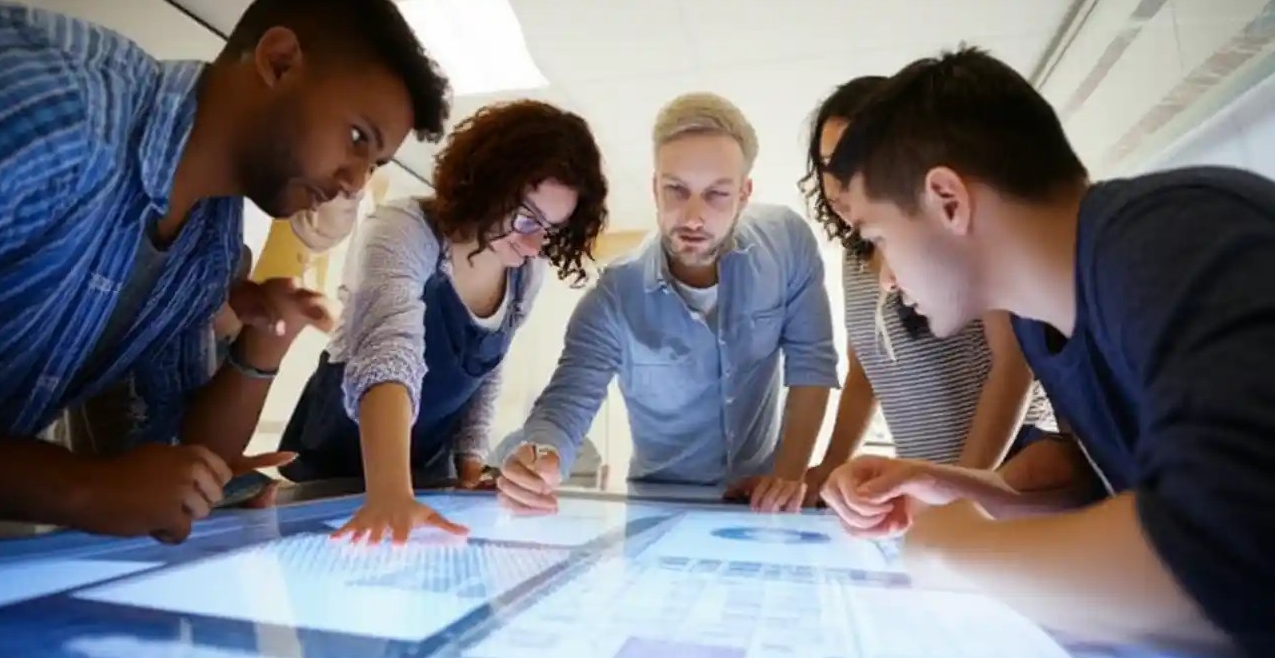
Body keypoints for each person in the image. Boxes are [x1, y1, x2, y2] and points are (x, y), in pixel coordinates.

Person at [820, 47, 1275, 658]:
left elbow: (1222, 552)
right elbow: (1101, 487)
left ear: (948, 200)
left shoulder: (1172, 233)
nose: (890, 280)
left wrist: (960, 551)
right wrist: (950, 486)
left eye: (879, 237)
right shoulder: (1043, 324)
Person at [0, 0, 450, 543]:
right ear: (278, 60)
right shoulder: (64, 107)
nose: (354, 183)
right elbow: (104, 484)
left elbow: (180, 455)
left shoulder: (209, 252)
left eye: (373, 163)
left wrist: (262, 347)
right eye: (357, 138)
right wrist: (82, 489)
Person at [281, 100, 609, 543]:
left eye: (550, 230)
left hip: (426, 474)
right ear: (490, 183)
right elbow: (389, 356)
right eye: (526, 217)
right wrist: (390, 492)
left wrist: (471, 465)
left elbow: (486, 372)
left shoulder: (525, 273)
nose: (534, 244)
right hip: (330, 465)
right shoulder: (404, 228)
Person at [498, 92, 839, 515]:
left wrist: (787, 476)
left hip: (762, 498)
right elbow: (568, 401)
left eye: (716, 194)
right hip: (659, 503)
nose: (693, 217)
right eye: (677, 190)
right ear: (655, 188)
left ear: (744, 194)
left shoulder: (787, 243)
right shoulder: (614, 297)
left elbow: (813, 363)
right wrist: (542, 455)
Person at [801, 77, 1055, 500]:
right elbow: (865, 372)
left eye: (855, 161)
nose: (840, 183)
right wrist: (830, 466)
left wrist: (964, 487)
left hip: (1012, 466)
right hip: (926, 476)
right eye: (829, 164)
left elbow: (1014, 364)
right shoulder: (853, 257)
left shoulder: (955, 235)